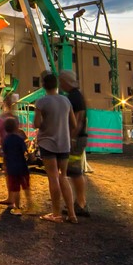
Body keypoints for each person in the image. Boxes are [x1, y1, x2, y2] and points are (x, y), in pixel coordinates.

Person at [30, 72, 75, 223]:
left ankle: (56, 214)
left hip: (48, 143)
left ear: (43, 85)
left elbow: (36, 124)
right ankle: (72, 214)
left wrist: (46, 123)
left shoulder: (41, 102)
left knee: (53, 177)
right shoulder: (66, 101)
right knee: (63, 177)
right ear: (56, 85)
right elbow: (73, 124)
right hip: (64, 143)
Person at [60, 71, 91, 219]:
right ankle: (80, 202)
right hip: (79, 137)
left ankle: (81, 203)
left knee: (74, 171)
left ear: (67, 82)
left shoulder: (73, 97)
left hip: (76, 138)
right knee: (75, 171)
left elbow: (78, 120)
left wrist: (71, 138)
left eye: (62, 81)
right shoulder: (77, 95)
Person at [0, 114, 32, 214]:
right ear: (16, 127)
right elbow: (25, 152)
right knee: (26, 187)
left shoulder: (5, 140)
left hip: (12, 169)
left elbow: (5, 154)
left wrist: (4, 165)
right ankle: (31, 207)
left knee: (16, 189)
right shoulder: (19, 139)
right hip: (22, 167)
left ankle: (18, 208)